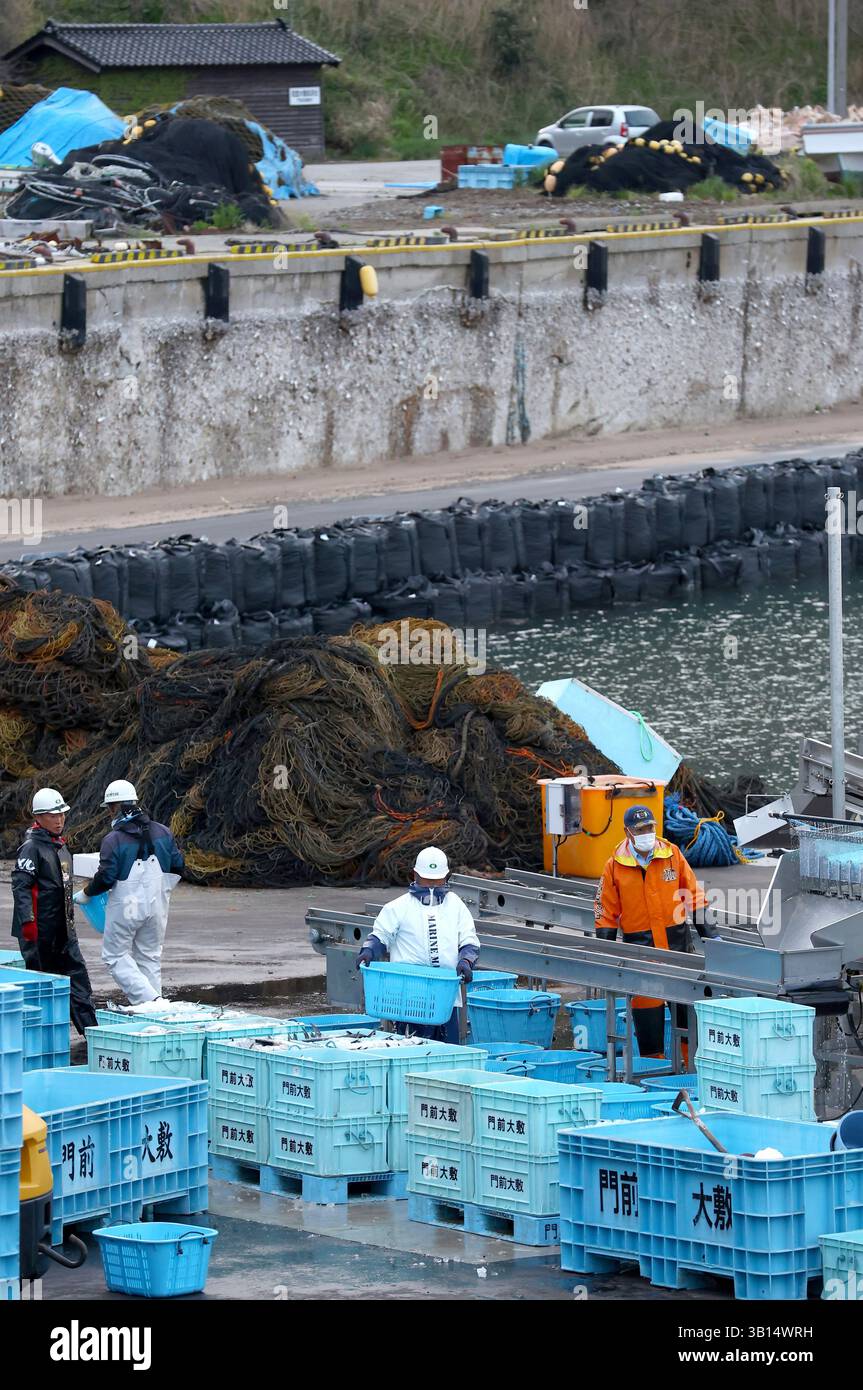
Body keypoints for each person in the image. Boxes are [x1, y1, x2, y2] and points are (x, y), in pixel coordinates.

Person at [593, 804, 712, 1063]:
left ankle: (690, 1071)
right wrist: (607, 953)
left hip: (679, 951)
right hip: (642, 956)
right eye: (640, 829)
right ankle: (653, 1077)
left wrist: (711, 936)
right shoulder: (614, 867)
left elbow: (694, 895)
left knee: (687, 1019)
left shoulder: (672, 854)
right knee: (648, 1028)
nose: (647, 833)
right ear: (628, 832)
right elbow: (605, 912)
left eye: (650, 827)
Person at [74, 780, 184, 1010]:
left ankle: (150, 1001)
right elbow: (178, 866)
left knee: (115, 955)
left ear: (114, 807)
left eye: (110, 809)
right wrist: (161, 890)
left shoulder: (113, 840)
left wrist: (86, 892)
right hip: (157, 905)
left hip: (127, 906)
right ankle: (156, 1010)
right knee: (150, 956)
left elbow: (106, 877)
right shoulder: (162, 831)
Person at [356, 846, 479, 1044]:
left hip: (445, 997)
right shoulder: (399, 907)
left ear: (446, 877)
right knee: (409, 1052)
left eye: (436, 880)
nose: (431, 885)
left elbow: (469, 940)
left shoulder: (456, 905)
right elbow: (380, 934)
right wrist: (369, 951)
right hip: (408, 998)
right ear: (415, 875)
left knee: (447, 1053)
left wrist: (466, 960)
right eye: (427, 880)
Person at [11, 787, 98, 1034]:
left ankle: (92, 1034)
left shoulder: (59, 847)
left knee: (79, 982)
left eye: (62, 814)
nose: (59, 820)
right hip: (39, 933)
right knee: (43, 989)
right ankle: (42, 1038)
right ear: (39, 817)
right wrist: (27, 922)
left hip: (63, 932)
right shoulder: (31, 848)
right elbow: (21, 887)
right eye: (53, 815)